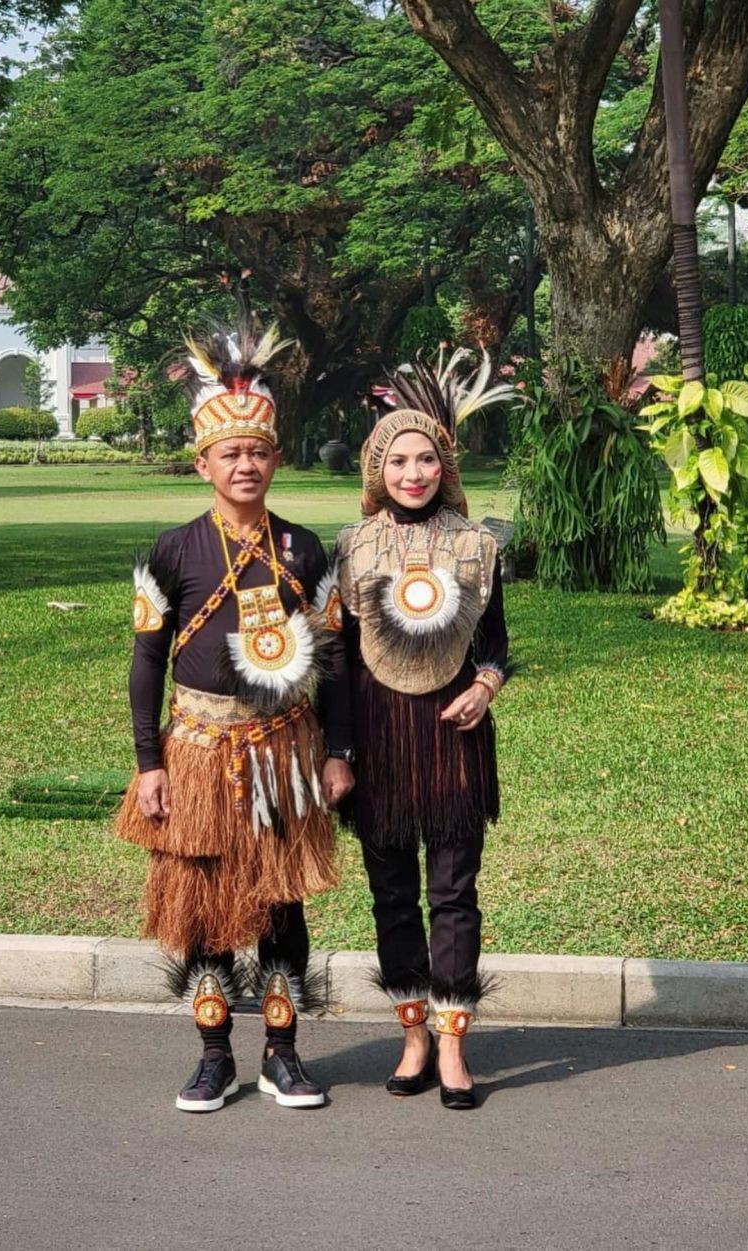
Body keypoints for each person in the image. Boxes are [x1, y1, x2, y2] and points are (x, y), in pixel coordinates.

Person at [116, 320, 354, 1113]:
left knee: (282, 900)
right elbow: (147, 664)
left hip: (285, 751)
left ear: (274, 458)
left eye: (257, 452)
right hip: (197, 751)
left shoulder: (306, 550)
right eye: (230, 454)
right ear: (204, 463)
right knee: (208, 905)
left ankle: (282, 1053)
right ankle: (214, 1054)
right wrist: (150, 764)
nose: (244, 464)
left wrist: (337, 751)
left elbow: (337, 662)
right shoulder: (173, 551)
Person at [335, 350, 512, 1110]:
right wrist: (337, 751)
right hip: (378, 734)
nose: (415, 472)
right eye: (399, 459)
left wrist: (485, 686)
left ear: (445, 463)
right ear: (379, 467)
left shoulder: (477, 545)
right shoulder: (352, 546)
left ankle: (453, 1044)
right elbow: (337, 661)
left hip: (451, 732)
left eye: (427, 458)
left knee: (453, 890)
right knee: (391, 895)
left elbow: (497, 644)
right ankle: (412, 1033)